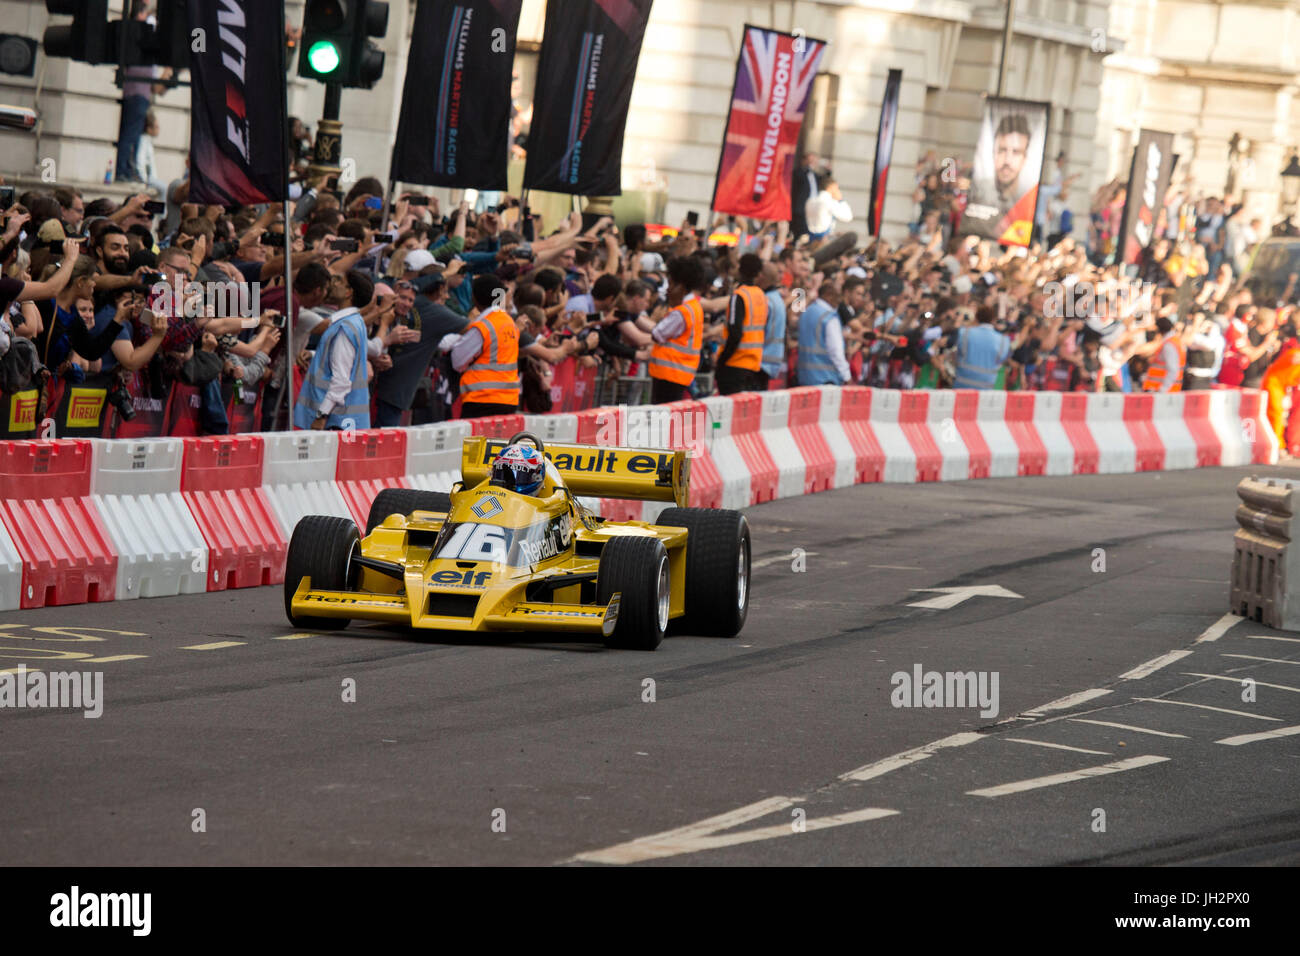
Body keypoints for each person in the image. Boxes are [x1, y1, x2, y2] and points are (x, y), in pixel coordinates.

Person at [293, 270, 375, 431]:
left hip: (334, 422)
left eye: (340, 282)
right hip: (343, 421)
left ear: (348, 293)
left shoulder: (344, 328)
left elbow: (341, 380)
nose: (334, 284)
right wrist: (314, 355)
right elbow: (345, 360)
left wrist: (321, 415)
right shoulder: (353, 322)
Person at [451, 274, 520, 418]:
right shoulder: (509, 322)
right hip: (509, 399)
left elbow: (457, 361)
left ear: (474, 298)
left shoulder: (484, 326)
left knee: (474, 441)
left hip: (482, 399)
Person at [647, 256, 706, 404]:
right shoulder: (695, 307)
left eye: (671, 284)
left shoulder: (682, 312)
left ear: (682, 287)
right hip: (680, 375)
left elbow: (657, 334)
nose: (668, 289)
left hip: (668, 376)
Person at [715, 253, 768, 394]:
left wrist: (721, 361)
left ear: (740, 270)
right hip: (754, 365)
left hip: (734, 364)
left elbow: (735, 333)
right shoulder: (761, 296)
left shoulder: (739, 296)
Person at [797, 281, 851, 386]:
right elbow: (836, 352)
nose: (840, 300)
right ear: (828, 295)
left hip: (804, 377)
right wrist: (847, 377)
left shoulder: (806, 312)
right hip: (826, 380)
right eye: (838, 296)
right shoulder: (830, 318)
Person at [952, 305, 1011, 389]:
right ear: (993, 320)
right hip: (986, 387)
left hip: (962, 384)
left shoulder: (964, 332)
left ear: (976, 317)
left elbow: (955, 353)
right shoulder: (1003, 340)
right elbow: (1000, 361)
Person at [758, 262, 787, 390]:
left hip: (763, 362)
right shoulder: (777, 297)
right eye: (779, 272)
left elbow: (795, 319)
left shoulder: (799, 290)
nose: (781, 276)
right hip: (771, 362)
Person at [1140, 315, 1185, 392]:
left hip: (1161, 391)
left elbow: (1173, 370)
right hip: (1164, 390)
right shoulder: (1174, 341)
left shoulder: (1169, 345)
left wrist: (1162, 390)